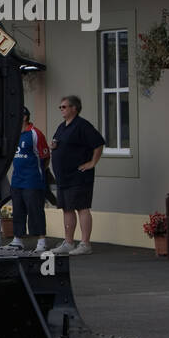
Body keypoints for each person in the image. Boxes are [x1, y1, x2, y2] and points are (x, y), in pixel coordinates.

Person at [50, 94, 106, 256]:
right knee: (67, 209)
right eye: (60, 107)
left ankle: (85, 243)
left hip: (79, 176)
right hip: (63, 177)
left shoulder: (82, 125)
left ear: (74, 108)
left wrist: (92, 163)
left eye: (64, 107)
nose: (61, 109)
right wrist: (54, 146)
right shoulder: (62, 126)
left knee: (82, 208)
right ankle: (68, 242)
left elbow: (98, 143)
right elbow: (60, 143)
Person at [0, 106, 50, 255]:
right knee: (18, 211)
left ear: (25, 117)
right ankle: (17, 240)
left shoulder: (35, 134)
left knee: (35, 210)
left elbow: (45, 156)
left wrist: (38, 172)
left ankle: (41, 241)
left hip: (32, 181)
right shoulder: (14, 134)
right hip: (17, 180)